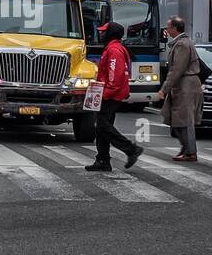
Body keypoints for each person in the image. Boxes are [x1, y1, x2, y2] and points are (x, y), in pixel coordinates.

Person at [84, 21, 143, 173]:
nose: (100, 34)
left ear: (111, 33)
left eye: (104, 32)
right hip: (110, 92)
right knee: (101, 128)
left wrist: (104, 94)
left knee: (103, 125)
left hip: (110, 94)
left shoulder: (114, 50)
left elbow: (114, 78)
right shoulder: (114, 48)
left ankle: (131, 149)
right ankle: (103, 160)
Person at [156, 16, 203, 162]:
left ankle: (190, 151)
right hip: (184, 85)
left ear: (175, 29)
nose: (167, 30)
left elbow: (177, 69)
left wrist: (164, 88)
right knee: (177, 119)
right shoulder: (183, 42)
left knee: (185, 120)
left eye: (168, 28)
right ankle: (186, 149)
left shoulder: (182, 45)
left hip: (186, 85)